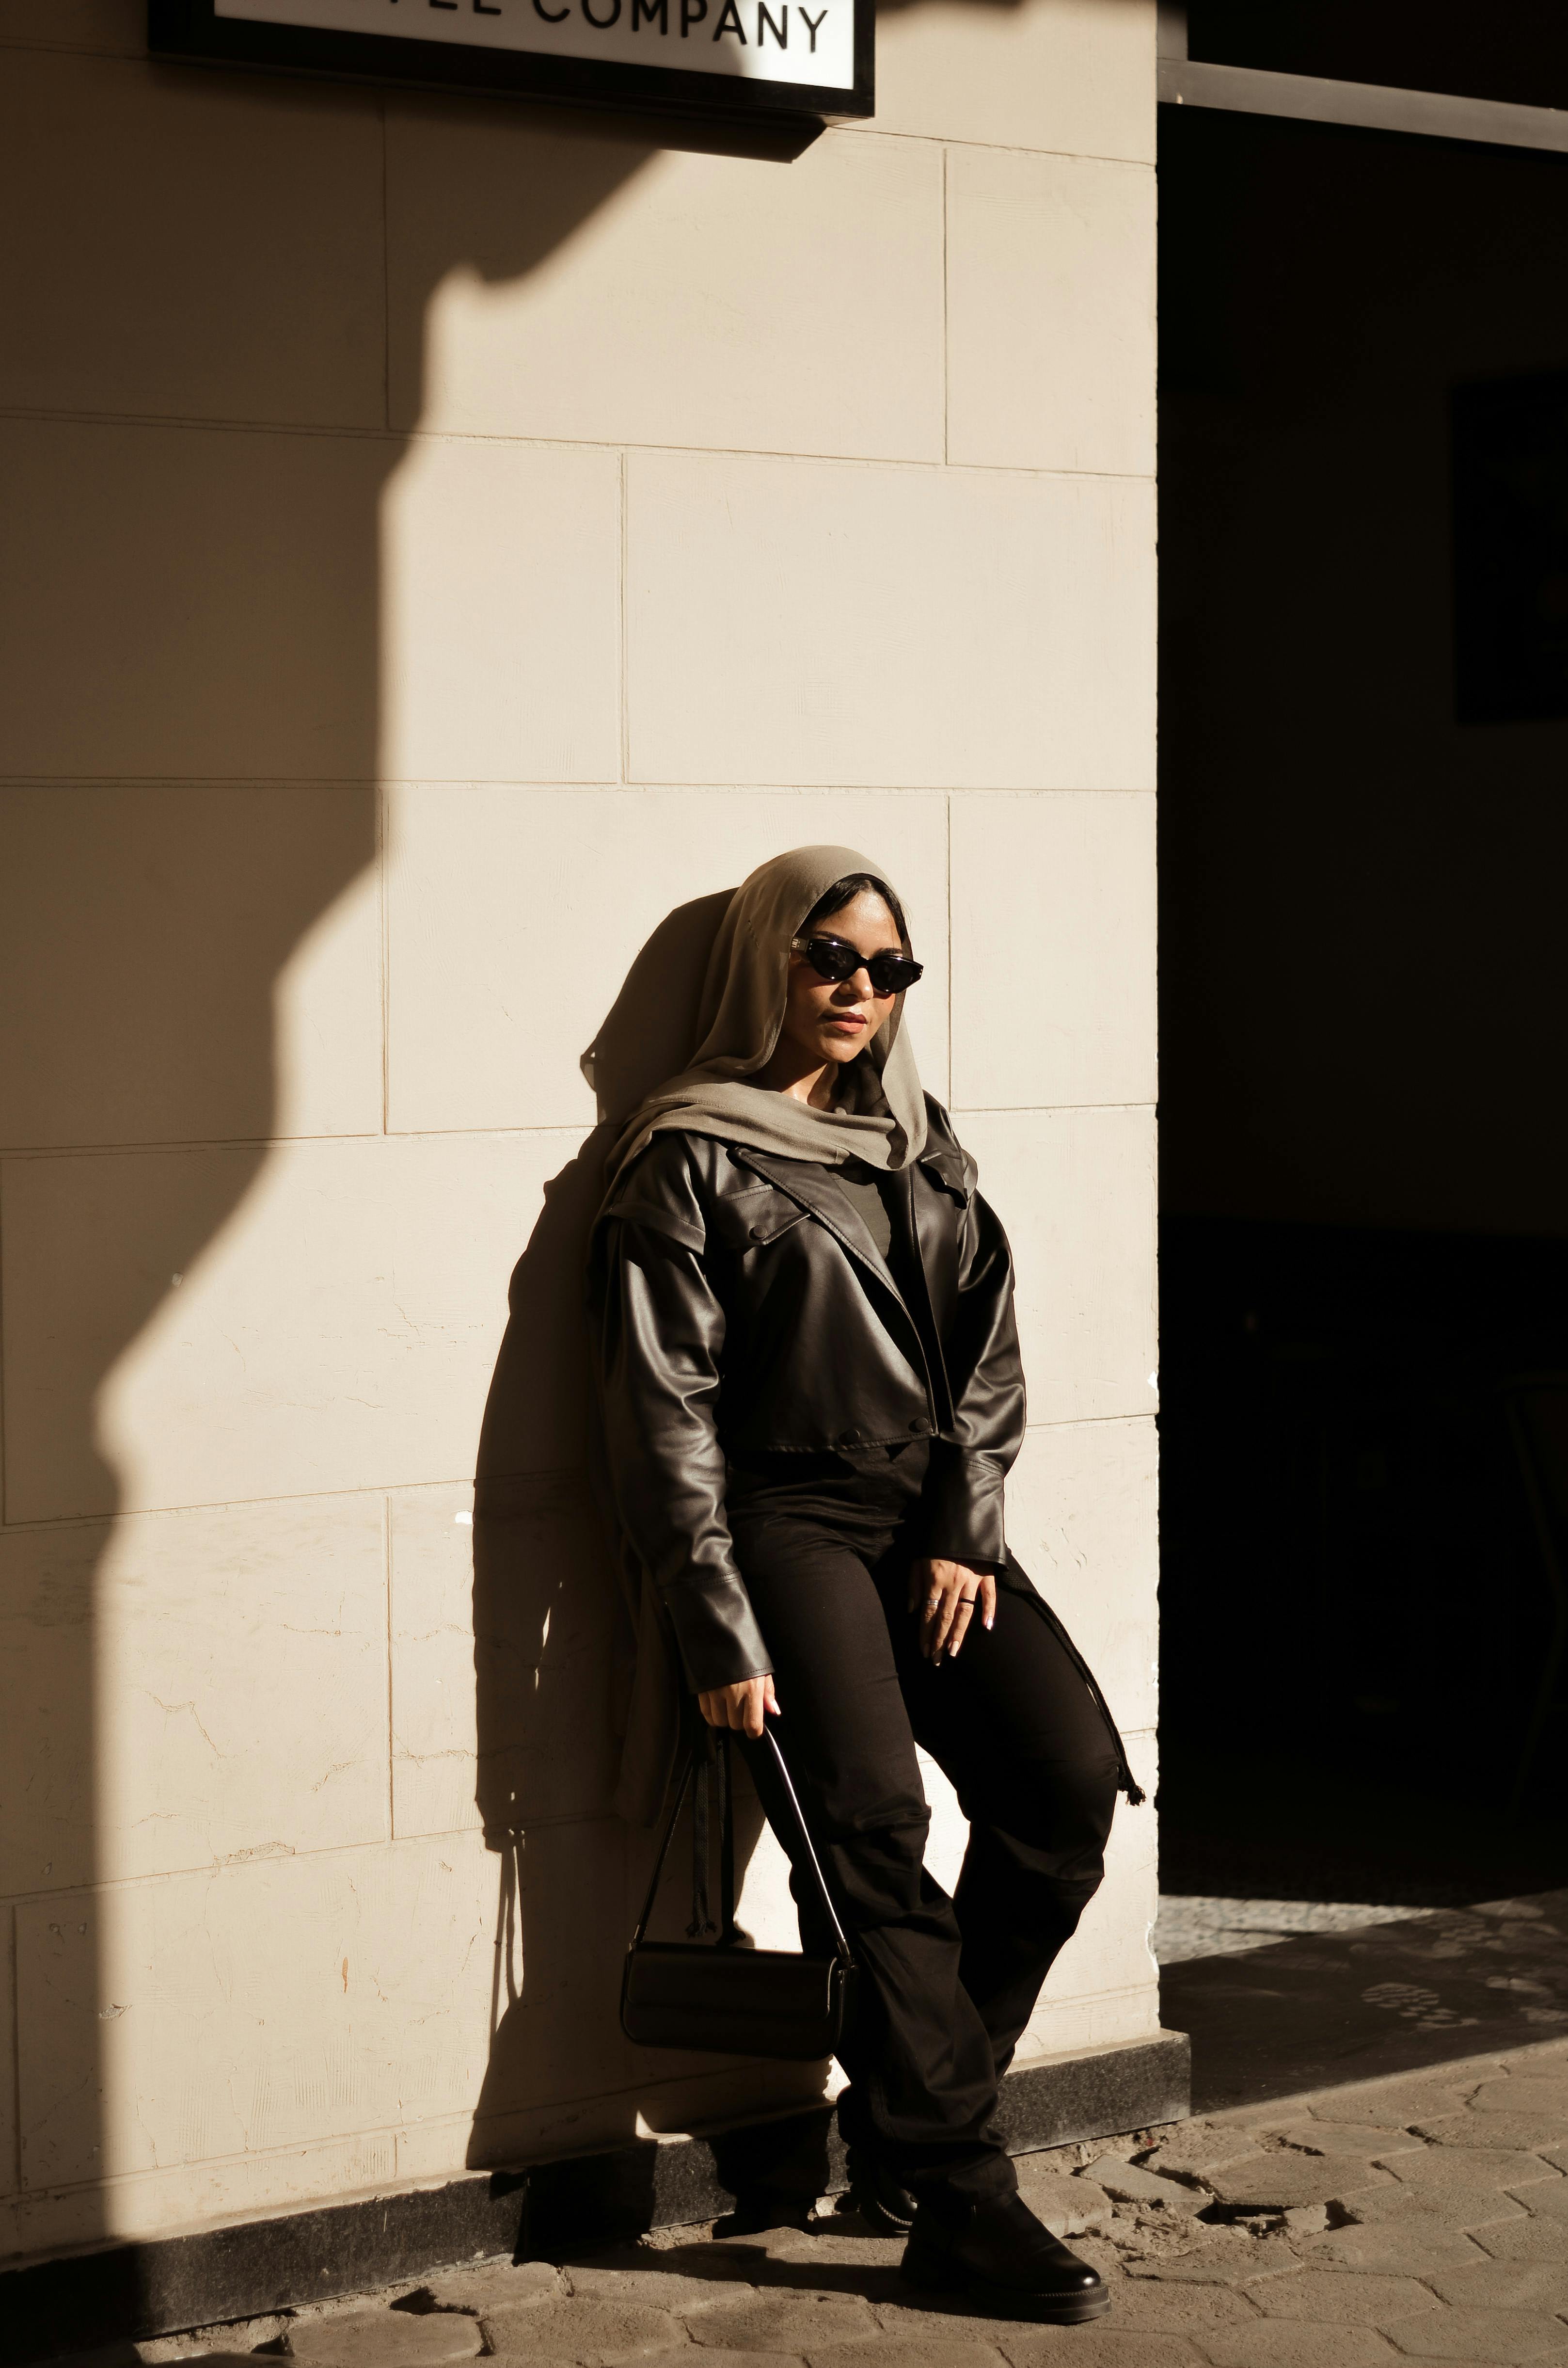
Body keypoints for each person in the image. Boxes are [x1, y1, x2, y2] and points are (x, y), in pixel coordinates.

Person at [586, 846, 1142, 2325]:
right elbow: (660, 1412)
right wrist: (714, 1620)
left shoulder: (916, 1133)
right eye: (827, 954)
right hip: (782, 1523)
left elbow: (987, 1342)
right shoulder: (686, 1154)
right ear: (763, 957)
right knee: (870, 1837)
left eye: (886, 966)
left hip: (931, 1517)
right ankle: (955, 2192)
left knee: (1062, 1783)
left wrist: (965, 1522)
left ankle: (909, 2117)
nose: (858, 987)